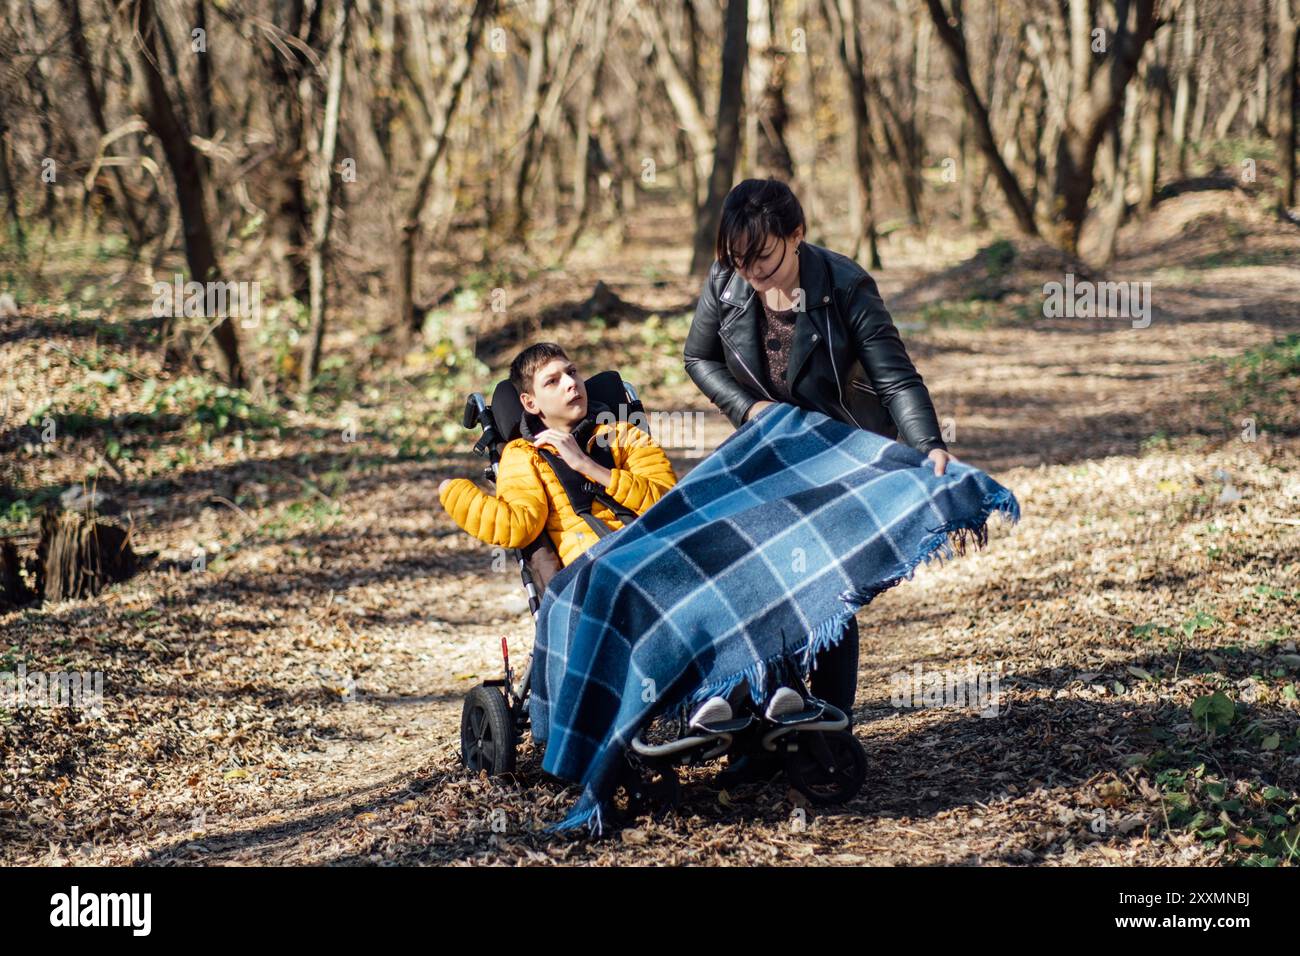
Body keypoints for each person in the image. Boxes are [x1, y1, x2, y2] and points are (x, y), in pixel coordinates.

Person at [683, 178, 958, 754]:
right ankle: (754, 716)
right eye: (738, 258)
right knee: (746, 566)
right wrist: (747, 407)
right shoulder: (727, 281)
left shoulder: (845, 285)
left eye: (762, 256)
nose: (750, 272)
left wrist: (927, 444)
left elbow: (896, 378)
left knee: (824, 583)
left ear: (797, 235)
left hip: (842, 449)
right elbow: (698, 356)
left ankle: (829, 728)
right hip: (770, 448)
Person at [438, 342, 678, 567]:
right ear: (531, 403)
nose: (571, 383)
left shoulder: (624, 434)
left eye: (572, 372)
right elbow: (517, 527)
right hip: (592, 570)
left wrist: (588, 466)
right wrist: (452, 492)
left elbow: (671, 503)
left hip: (652, 549)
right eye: (552, 381)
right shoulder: (524, 455)